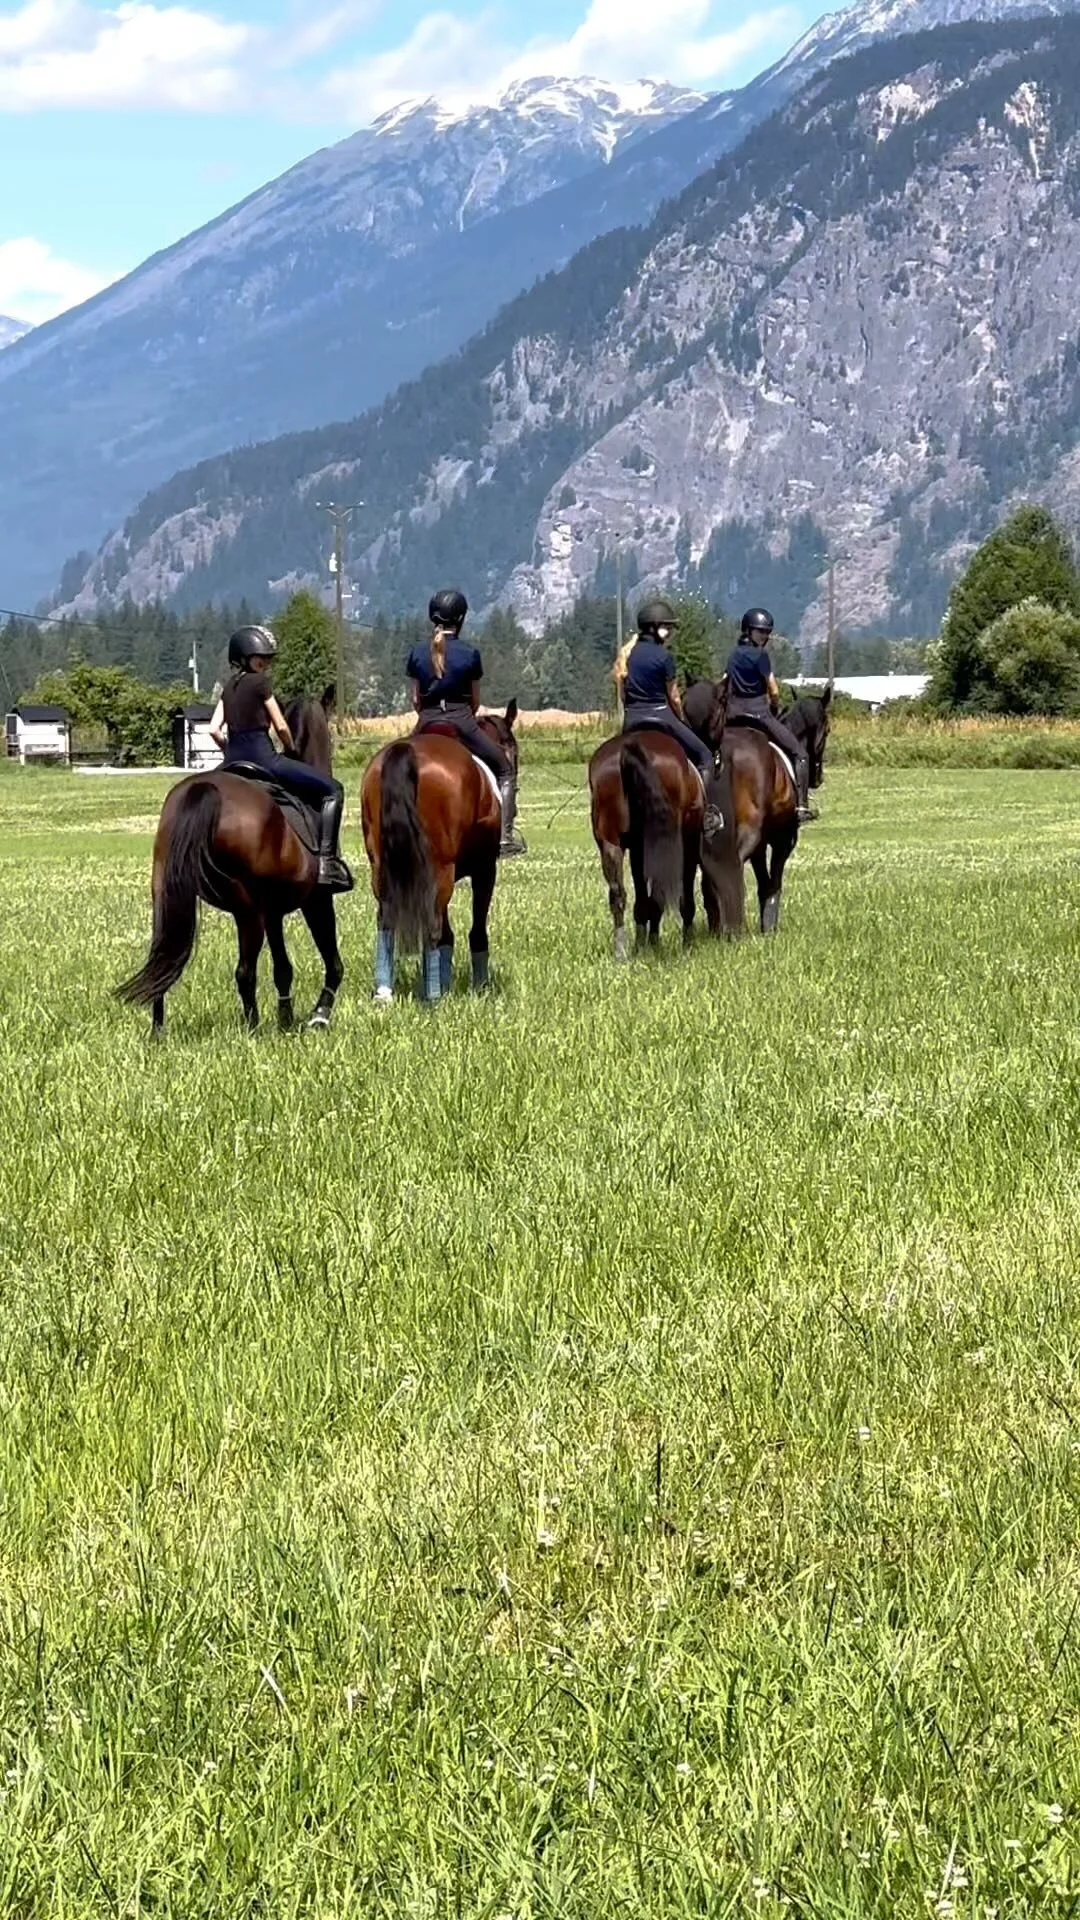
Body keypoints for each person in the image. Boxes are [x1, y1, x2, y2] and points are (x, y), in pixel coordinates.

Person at [210, 624, 353, 892]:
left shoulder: (228, 688)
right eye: (260, 659)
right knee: (334, 790)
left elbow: (214, 729)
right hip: (264, 759)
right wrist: (291, 748)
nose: (265, 664)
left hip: (230, 763)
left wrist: (227, 750)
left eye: (267, 660)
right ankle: (327, 862)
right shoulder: (261, 683)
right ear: (245, 658)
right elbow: (282, 725)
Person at [407, 589, 525, 857]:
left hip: (426, 721)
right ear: (460, 618)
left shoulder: (417, 652)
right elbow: (474, 701)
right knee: (505, 770)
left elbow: (415, 699)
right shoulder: (470, 654)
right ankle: (505, 838)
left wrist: (429, 712)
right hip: (461, 720)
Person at [723, 608, 815, 823]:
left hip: (733, 714)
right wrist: (775, 705)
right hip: (759, 713)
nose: (765, 636)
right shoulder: (761, 656)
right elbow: (773, 689)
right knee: (801, 754)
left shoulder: (734, 655)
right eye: (761, 632)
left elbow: (724, 681)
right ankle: (802, 806)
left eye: (767, 632)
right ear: (748, 631)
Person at [614, 599, 717, 783]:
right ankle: (705, 801)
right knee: (705, 756)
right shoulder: (664, 656)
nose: (669, 633)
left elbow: (623, 694)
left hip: (631, 719)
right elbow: (674, 697)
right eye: (667, 628)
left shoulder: (628, 655)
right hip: (661, 716)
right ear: (654, 628)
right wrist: (681, 719)